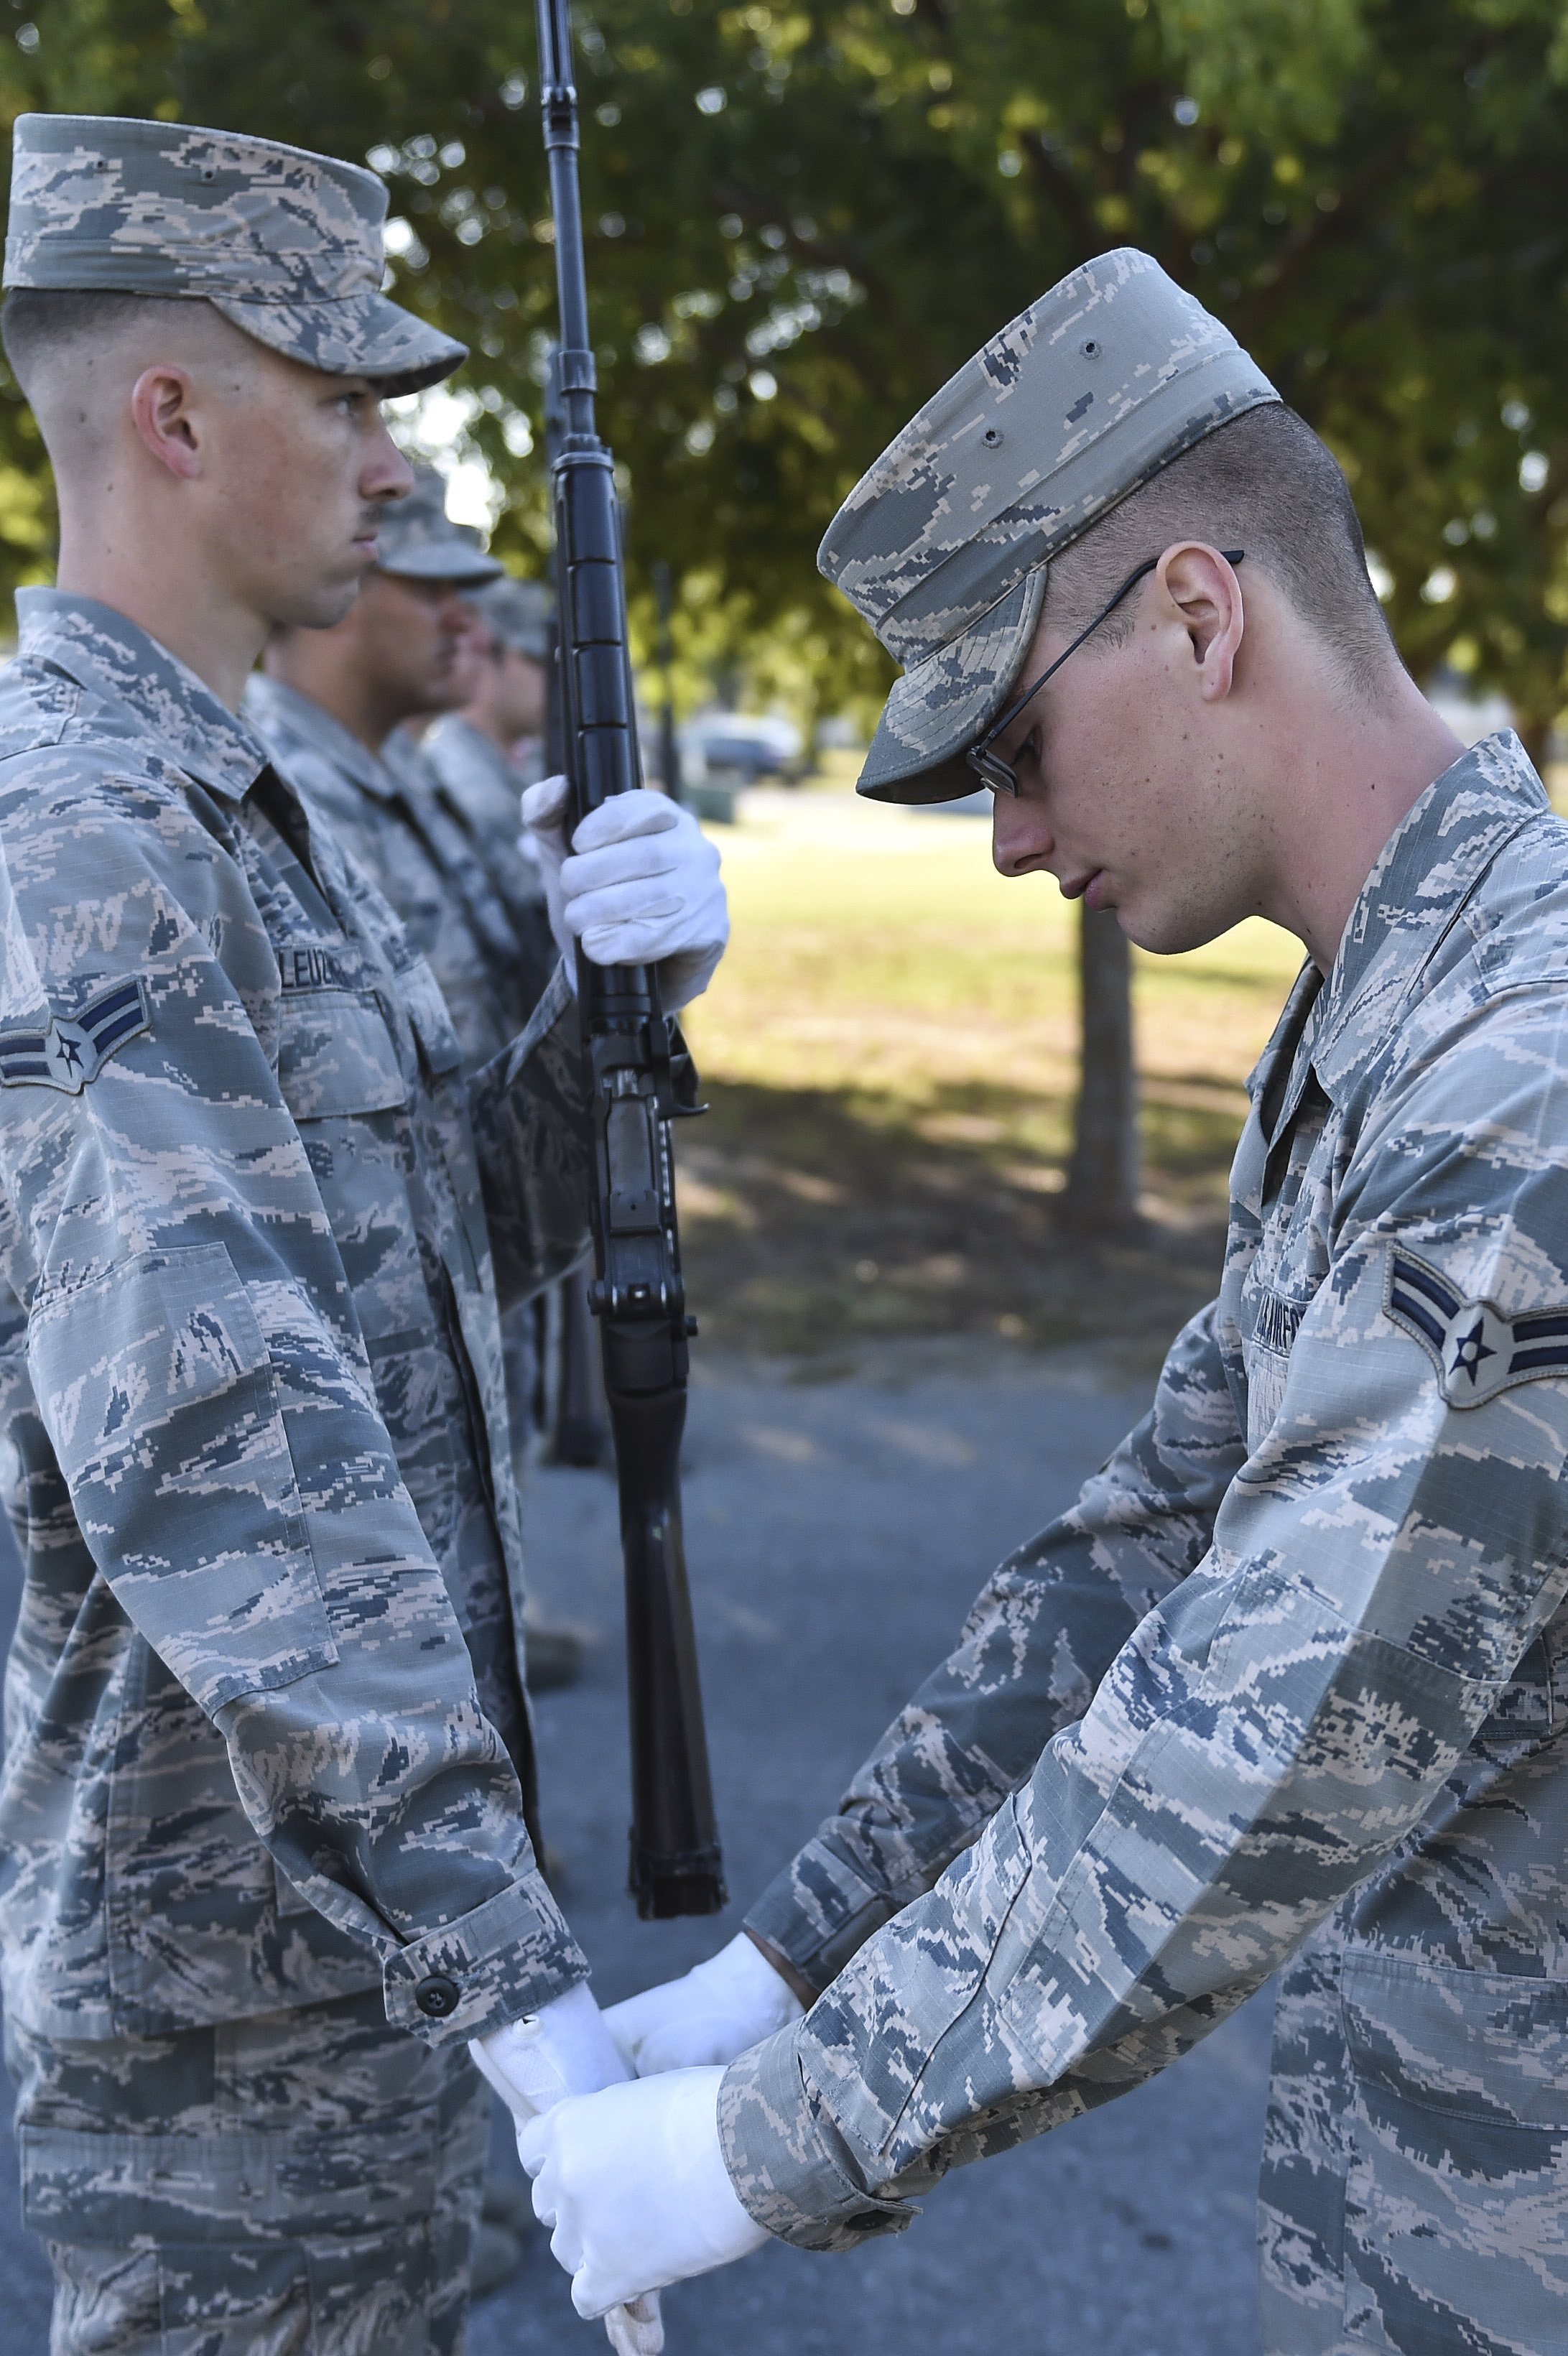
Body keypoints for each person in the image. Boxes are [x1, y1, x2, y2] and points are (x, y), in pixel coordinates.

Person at [513, 247, 1568, 2356]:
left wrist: (751, 2150)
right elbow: (1144, 1556)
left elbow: (1258, 1749)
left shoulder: (1515, 1086)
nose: (1004, 842)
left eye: (1010, 742)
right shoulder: (1390, 1024)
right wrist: (780, 1966)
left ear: (1200, 613)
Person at [0, 110, 725, 2356]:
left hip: (349, 1948)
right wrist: (530, 1996)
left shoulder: (221, 796)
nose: (397, 462)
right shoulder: (85, 831)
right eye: (349, 398)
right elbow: (229, 1444)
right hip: (232, 2011)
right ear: (177, 415)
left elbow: (399, 1257)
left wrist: (615, 1023)